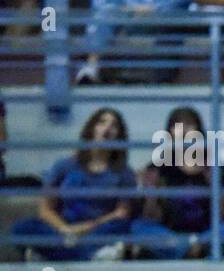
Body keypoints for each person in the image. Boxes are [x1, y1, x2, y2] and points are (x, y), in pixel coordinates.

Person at [11, 108, 137, 262]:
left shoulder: (124, 173)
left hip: (98, 230)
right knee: (22, 229)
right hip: (63, 230)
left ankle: (50, 254)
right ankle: (89, 255)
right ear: (91, 129)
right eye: (102, 122)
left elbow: (120, 214)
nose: (108, 128)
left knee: (123, 227)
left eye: (114, 125)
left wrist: (87, 227)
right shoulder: (64, 165)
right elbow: (45, 209)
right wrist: (67, 230)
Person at [133, 107, 224, 259]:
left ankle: (191, 249)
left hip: (207, 233)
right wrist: (151, 194)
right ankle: (190, 250)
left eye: (188, 124)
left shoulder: (215, 166)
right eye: (176, 125)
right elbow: (151, 218)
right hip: (172, 235)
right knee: (139, 228)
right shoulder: (157, 168)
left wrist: (214, 185)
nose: (183, 130)